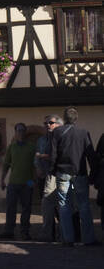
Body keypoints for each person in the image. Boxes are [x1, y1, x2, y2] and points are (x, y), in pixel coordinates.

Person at [49, 106, 97, 247]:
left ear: (64, 118)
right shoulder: (83, 132)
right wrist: (93, 173)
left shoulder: (57, 132)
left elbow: (53, 153)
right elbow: (90, 154)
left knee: (64, 206)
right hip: (80, 172)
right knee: (84, 206)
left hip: (63, 172)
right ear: (76, 118)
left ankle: (68, 238)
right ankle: (88, 239)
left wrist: (52, 170)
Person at [0, 123, 36, 240]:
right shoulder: (12, 147)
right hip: (13, 183)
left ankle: (25, 232)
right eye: (19, 130)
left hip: (27, 183)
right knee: (10, 208)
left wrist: (33, 181)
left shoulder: (32, 147)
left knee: (26, 209)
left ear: (25, 132)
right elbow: (6, 165)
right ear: (15, 132)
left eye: (23, 130)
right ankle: (9, 231)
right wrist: (2, 180)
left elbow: (36, 165)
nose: (21, 132)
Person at [36, 116, 61, 244]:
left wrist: (42, 156)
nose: (47, 125)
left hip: (57, 174)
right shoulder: (41, 140)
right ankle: (49, 233)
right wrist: (38, 167)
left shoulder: (59, 138)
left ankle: (62, 233)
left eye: (50, 123)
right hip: (44, 176)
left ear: (57, 124)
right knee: (46, 206)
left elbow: (54, 156)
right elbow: (36, 155)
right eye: (45, 123)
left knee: (59, 206)